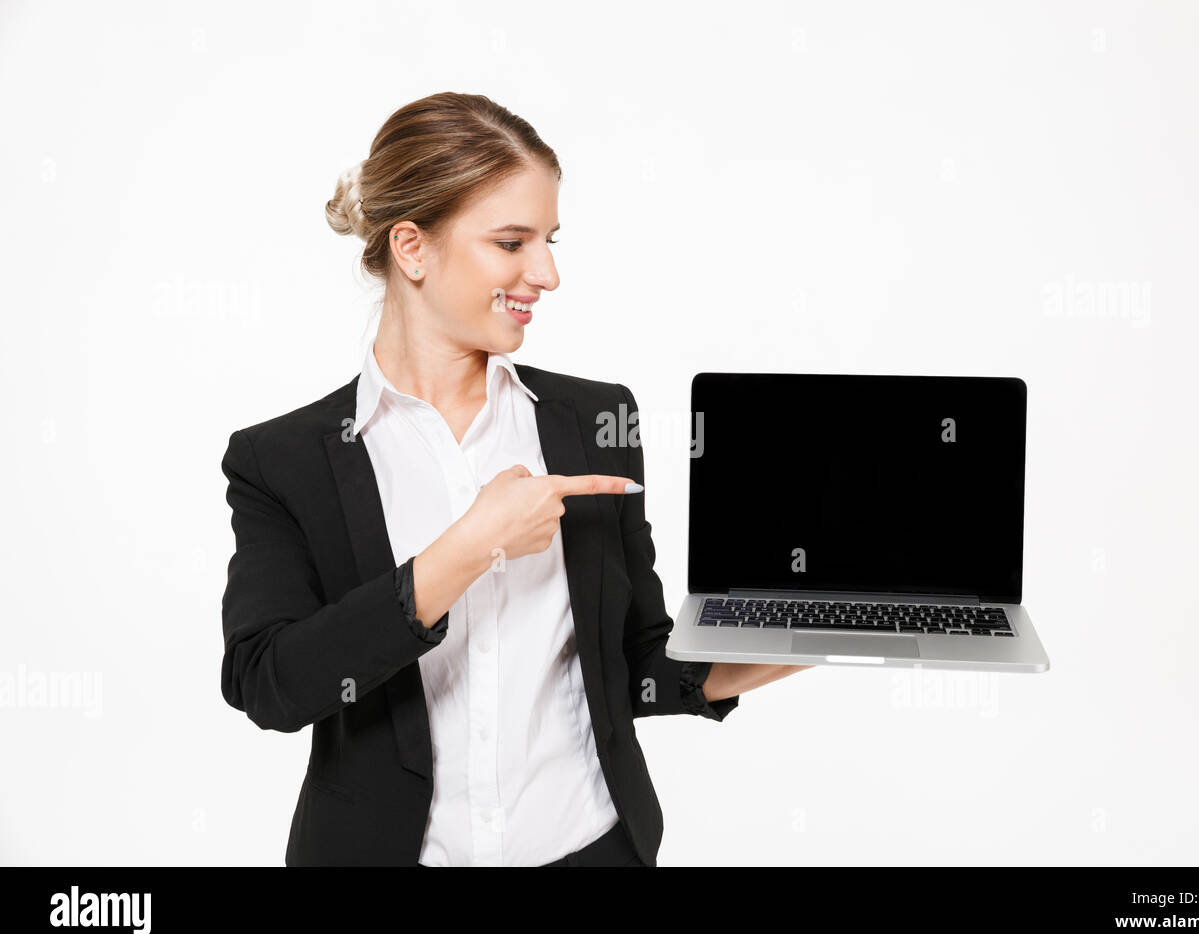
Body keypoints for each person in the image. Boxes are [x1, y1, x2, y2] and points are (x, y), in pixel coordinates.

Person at [220, 92, 811, 867]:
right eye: (512, 242)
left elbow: (639, 663)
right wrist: (469, 547)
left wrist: (819, 630)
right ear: (412, 248)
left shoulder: (596, 418)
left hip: (591, 850)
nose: (548, 273)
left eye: (550, 239)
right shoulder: (283, 458)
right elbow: (271, 685)